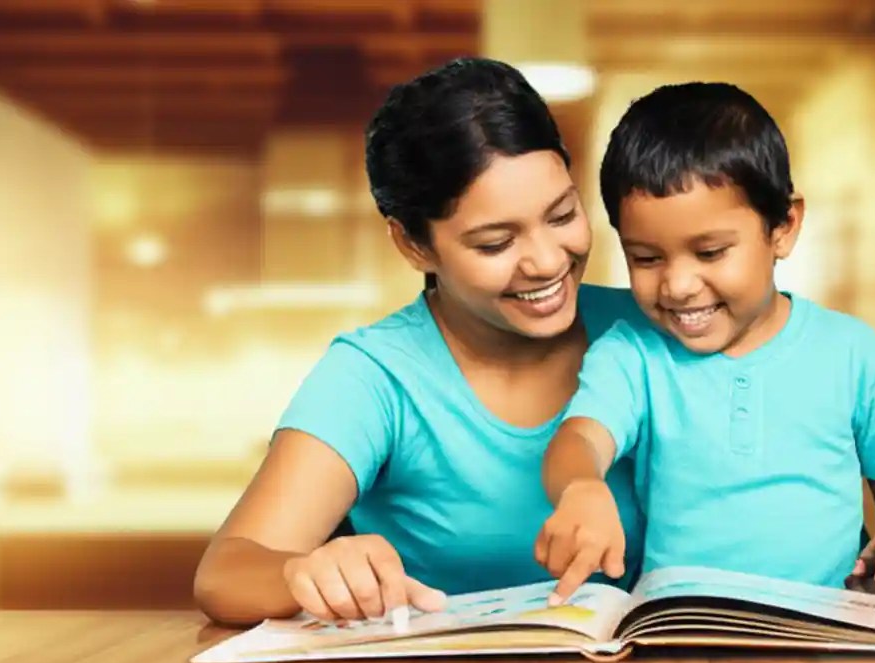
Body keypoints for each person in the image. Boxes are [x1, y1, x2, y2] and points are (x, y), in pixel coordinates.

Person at [192, 57, 652, 626]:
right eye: (494, 243)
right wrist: (304, 573)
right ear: (414, 246)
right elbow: (226, 572)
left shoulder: (648, 329)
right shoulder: (376, 376)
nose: (547, 261)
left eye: (562, 215)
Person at [535, 82, 875, 605]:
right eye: (646, 258)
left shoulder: (852, 353)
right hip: (679, 636)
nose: (678, 285)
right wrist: (582, 488)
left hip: (826, 638)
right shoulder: (633, 355)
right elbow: (579, 442)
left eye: (710, 253)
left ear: (783, 227)